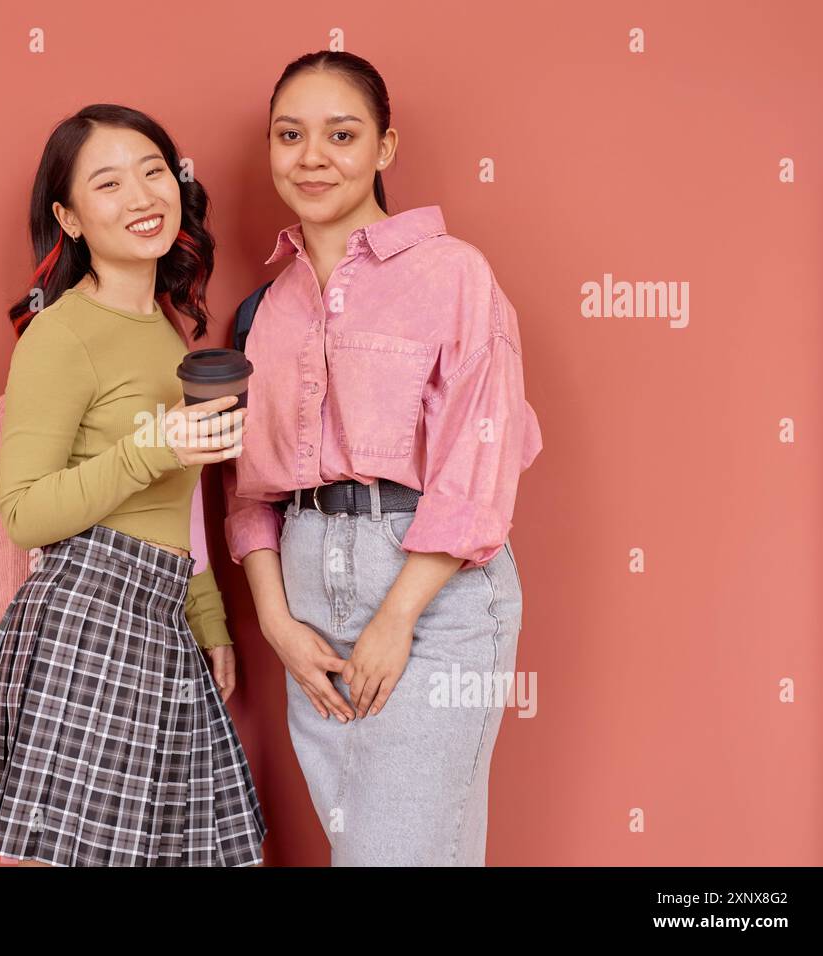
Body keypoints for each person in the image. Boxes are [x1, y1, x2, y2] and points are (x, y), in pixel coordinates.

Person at [222, 51, 544, 865]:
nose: (312, 156)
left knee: (403, 854)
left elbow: (481, 462)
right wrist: (274, 622)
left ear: (385, 148)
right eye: (290, 135)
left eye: (342, 134)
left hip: (432, 599)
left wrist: (397, 617)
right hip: (304, 607)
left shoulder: (453, 275)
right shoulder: (265, 308)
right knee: (368, 852)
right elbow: (245, 493)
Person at [0, 104, 267, 867]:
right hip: (88, 614)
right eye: (108, 184)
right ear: (70, 217)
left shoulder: (168, 333)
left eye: (154, 172)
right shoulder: (61, 333)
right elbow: (24, 513)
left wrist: (208, 617)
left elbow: (177, 508)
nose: (142, 196)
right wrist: (153, 446)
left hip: (161, 617)